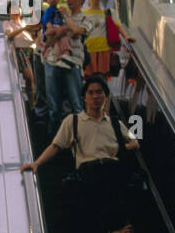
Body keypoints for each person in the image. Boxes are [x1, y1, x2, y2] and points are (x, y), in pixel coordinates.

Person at [21, 75, 139, 224]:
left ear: (106, 96)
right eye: (90, 93)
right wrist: (36, 163)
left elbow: (135, 142)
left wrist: (123, 147)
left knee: (115, 219)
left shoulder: (115, 122)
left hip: (112, 173)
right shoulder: (73, 120)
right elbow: (56, 146)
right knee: (93, 218)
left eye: (99, 92)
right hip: (89, 175)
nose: (95, 96)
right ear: (84, 97)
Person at [42, 0, 89, 131]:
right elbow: (47, 42)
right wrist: (58, 33)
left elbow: (76, 31)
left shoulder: (84, 18)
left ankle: (80, 139)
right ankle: (53, 141)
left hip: (73, 63)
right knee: (53, 106)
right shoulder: (55, 15)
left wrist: (66, 18)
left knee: (76, 103)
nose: (68, 0)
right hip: (52, 61)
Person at [82, 0, 135, 78]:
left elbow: (118, 26)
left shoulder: (109, 13)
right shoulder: (83, 13)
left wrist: (127, 36)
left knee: (103, 78)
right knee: (89, 77)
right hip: (89, 50)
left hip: (104, 49)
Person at [3, 0, 36, 107]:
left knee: (33, 79)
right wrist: (24, 28)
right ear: (9, 12)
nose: (16, 11)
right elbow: (9, 35)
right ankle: (31, 103)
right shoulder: (7, 23)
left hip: (31, 50)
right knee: (28, 76)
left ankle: (34, 102)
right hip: (20, 50)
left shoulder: (25, 22)